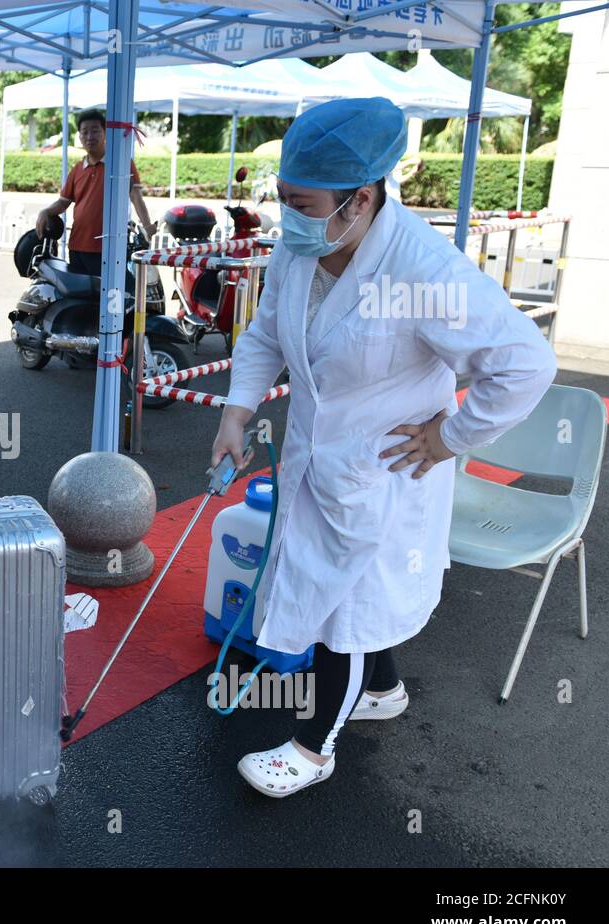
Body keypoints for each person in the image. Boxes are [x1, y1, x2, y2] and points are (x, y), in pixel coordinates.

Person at [211, 98, 556, 798]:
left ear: (359, 200)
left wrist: (449, 436)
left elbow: (526, 362)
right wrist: (236, 412)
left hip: (385, 467)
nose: (286, 216)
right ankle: (386, 688)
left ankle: (312, 748)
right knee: (351, 591)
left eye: (299, 202)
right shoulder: (302, 248)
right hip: (321, 458)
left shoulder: (423, 269)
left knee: (350, 609)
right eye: (280, 199)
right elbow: (266, 336)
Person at [34, 108, 156, 276]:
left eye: (95, 131)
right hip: (77, 247)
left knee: (107, 300)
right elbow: (64, 201)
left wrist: (148, 227)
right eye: (85, 132)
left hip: (109, 250)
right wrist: (46, 211)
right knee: (80, 300)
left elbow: (135, 196)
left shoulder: (121, 162)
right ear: (80, 137)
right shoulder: (77, 169)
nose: (90, 137)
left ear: (105, 133)